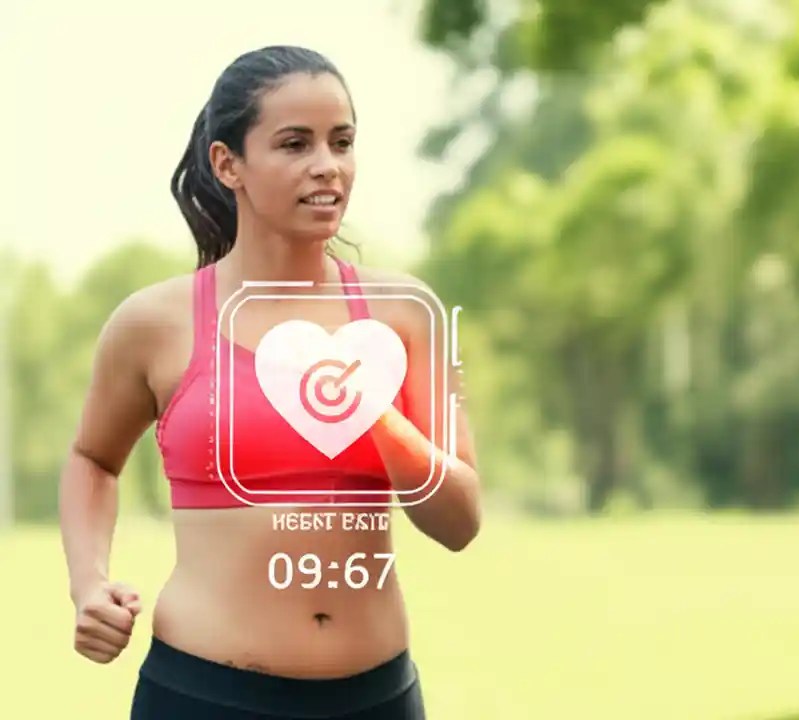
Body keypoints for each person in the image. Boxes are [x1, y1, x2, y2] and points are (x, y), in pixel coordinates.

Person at [57, 45, 482, 719]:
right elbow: (92, 460)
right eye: (295, 143)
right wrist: (90, 584)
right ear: (229, 164)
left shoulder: (402, 315)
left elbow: (460, 521)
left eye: (342, 142)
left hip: (377, 698)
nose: (327, 166)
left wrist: (370, 406)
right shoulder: (155, 322)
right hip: (203, 693)